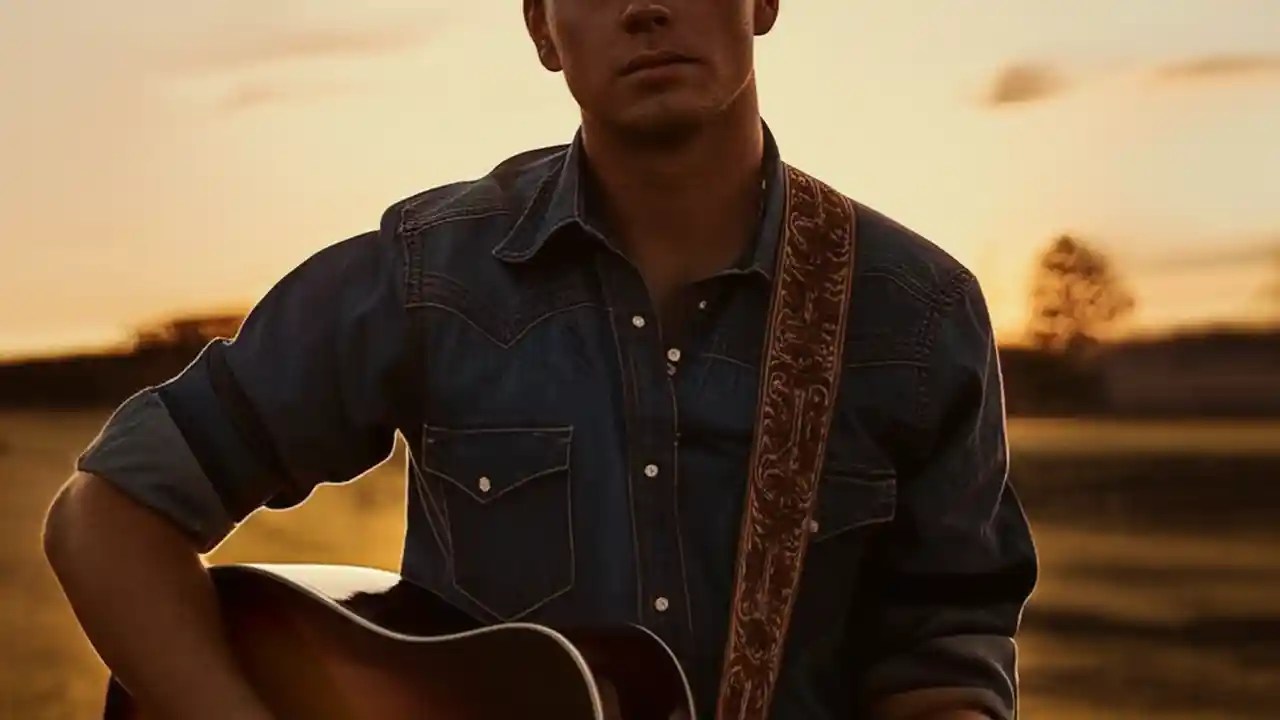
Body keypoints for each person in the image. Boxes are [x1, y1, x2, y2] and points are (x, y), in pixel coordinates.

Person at [42, 1, 1038, 718]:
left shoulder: (917, 313)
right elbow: (109, 513)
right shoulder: (427, 276)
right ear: (540, 28)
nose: (645, 10)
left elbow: (944, 656)